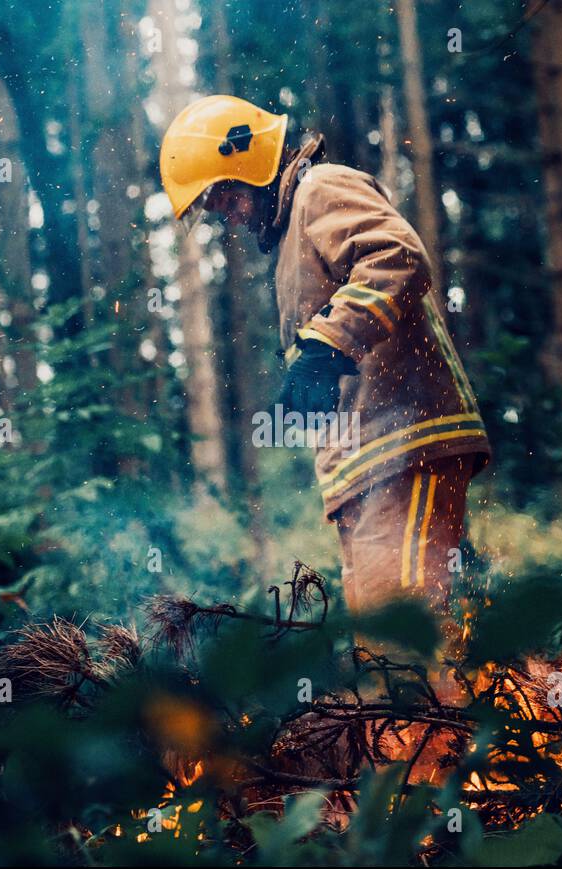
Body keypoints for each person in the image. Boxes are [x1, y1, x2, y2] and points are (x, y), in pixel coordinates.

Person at [159, 94, 490, 622]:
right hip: (368, 464)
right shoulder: (292, 234)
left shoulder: (320, 188)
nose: (232, 218)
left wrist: (325, 346)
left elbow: (398, 257)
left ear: (247, 158)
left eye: (227, 197)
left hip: (404, 445)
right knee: (386, 650)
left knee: (404, 641)